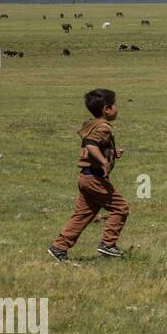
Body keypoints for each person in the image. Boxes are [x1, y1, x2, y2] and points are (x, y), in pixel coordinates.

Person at [48, 88, 129, 261]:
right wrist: (103, 161)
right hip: (94, 178)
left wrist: (112, 153)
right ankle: (108, 244)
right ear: (107, 109)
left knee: (83, 215)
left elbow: (93, 145)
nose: (116, 108)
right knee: (120, 208)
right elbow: (91, 145)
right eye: (114, 105)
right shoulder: (103, 128)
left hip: (86, 177)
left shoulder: (93, 124)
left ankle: (59, 247)